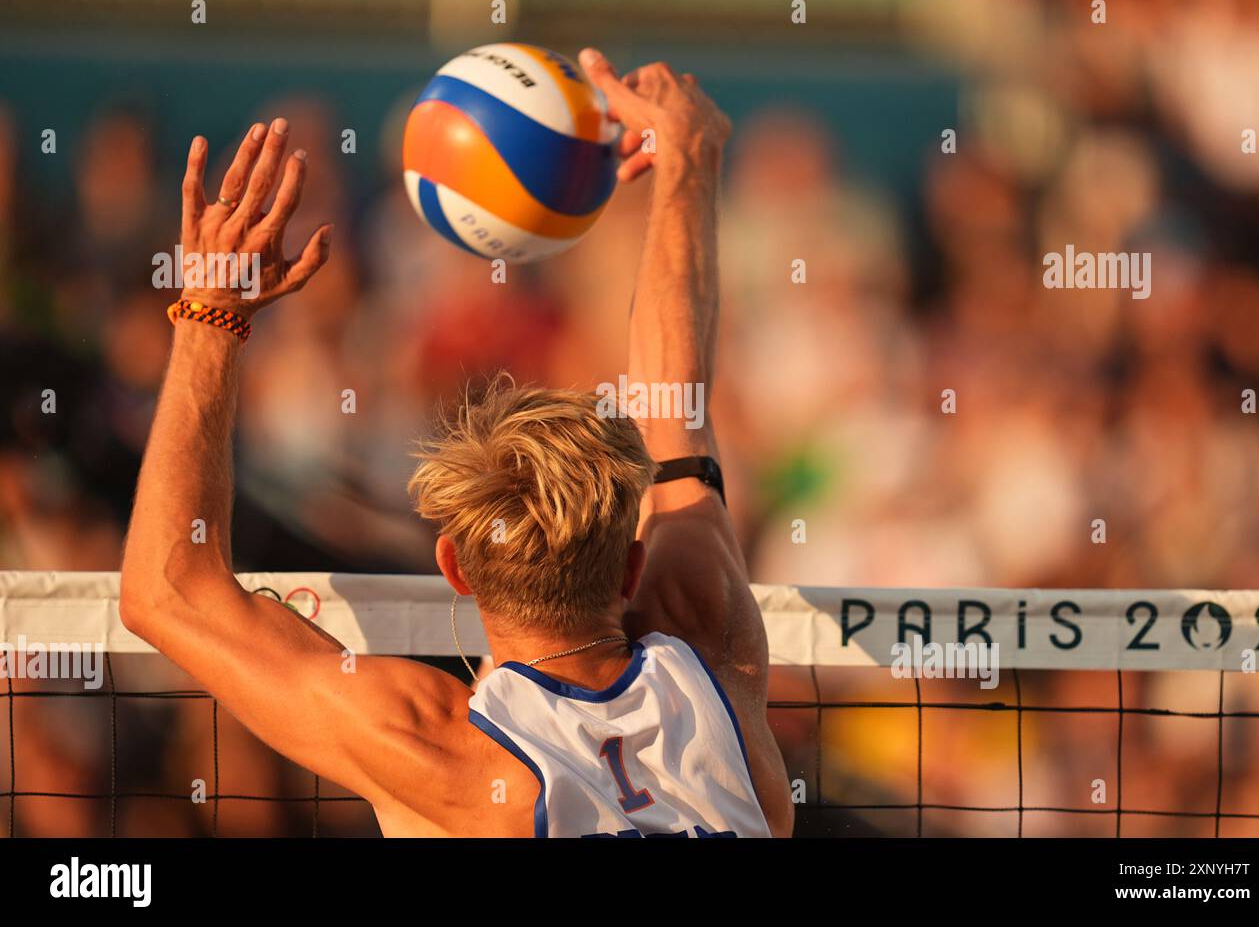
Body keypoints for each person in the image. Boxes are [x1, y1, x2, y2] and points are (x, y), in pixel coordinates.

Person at [120, 48, 793, 838]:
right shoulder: (711, 664)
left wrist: (210, 310)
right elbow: (674, 406)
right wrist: (691, 158)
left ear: (455, 568)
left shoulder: (446, 754)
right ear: (634, 564)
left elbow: (165, 592)